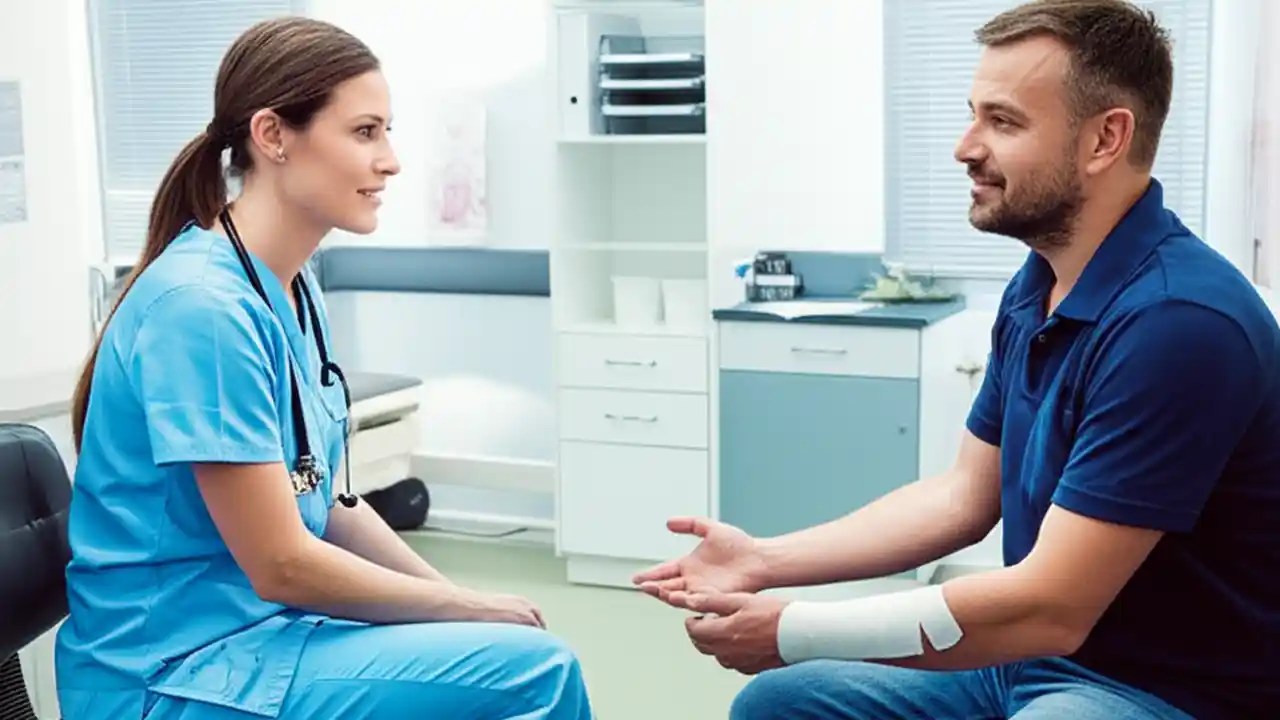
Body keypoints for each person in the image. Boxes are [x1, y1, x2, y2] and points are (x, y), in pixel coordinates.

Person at [635, 1, 1280, 718]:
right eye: (974, 115)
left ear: (1105, 139)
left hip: (1166, 693)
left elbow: (1051, 607)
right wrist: (764, 560)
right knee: (782, 704)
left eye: (1003, 122)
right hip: (1030, 662)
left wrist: (793, 628)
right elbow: (962, 499)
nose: (965, 146)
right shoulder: (1040, 285)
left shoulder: (1179, 323)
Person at [55, 17, 592, 720]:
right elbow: (282, 562)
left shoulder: (291, 288)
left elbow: (329, 502)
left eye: (387, 131)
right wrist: (462, 604)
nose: (391, 159)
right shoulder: (203, 310)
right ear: (273, 135)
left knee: (498, 652)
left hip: (259, 641)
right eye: (366, 132)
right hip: (170, 672)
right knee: (537, 676)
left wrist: (464, 611)